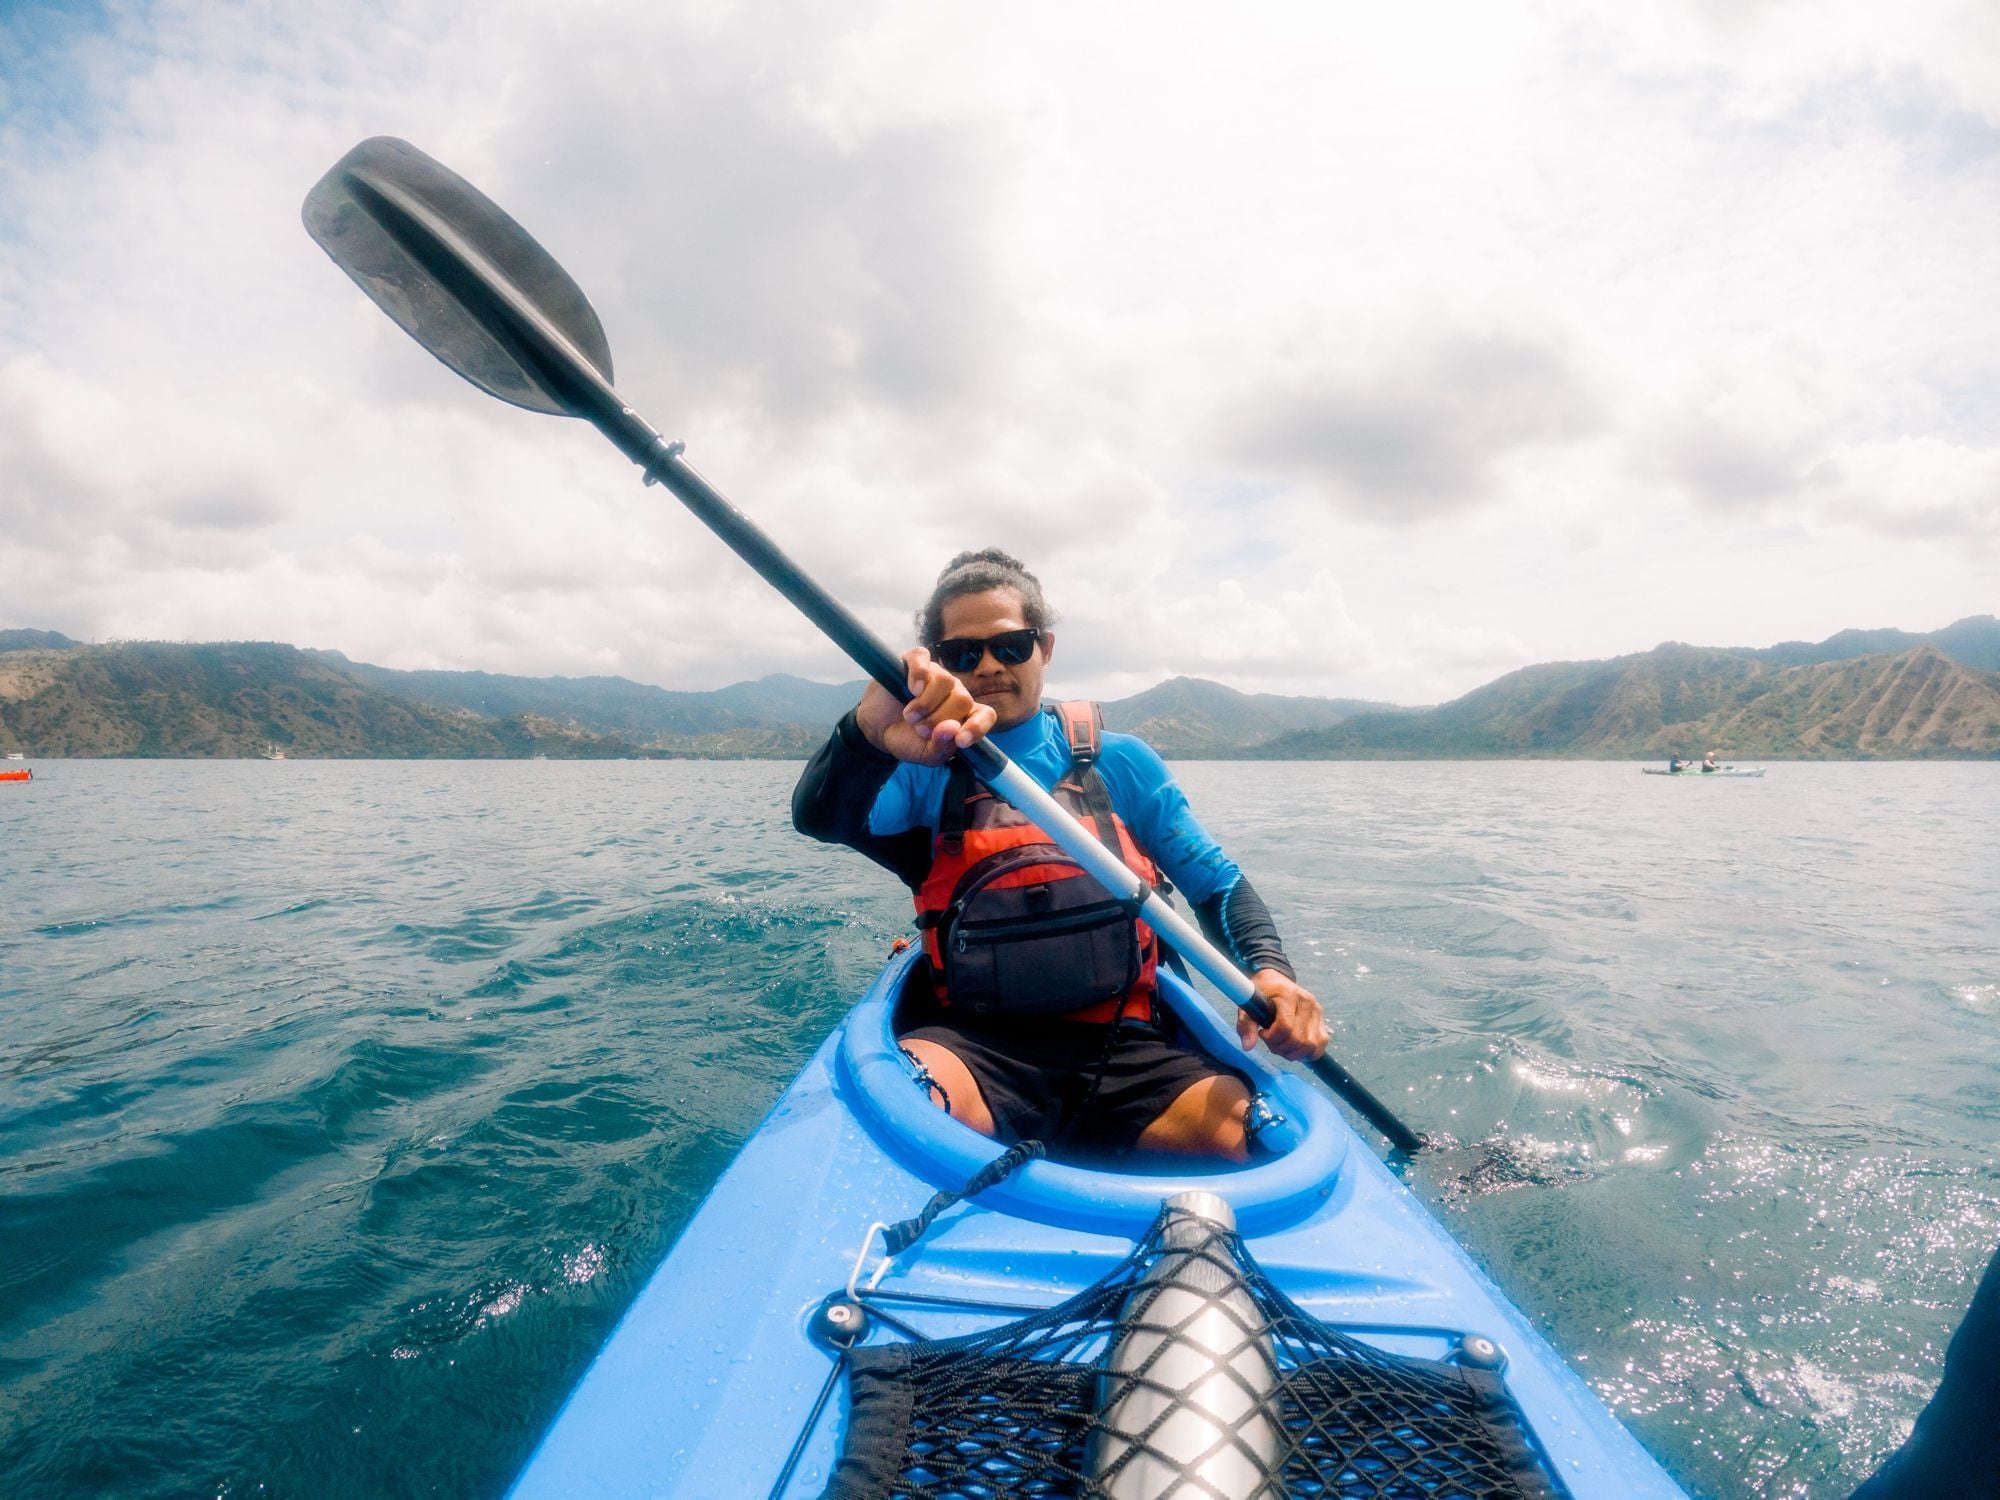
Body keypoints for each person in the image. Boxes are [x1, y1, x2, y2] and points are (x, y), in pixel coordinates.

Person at [792, 548, 1328, 1162]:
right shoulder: (923, 764)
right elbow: (822, 820)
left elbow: (1216, 886)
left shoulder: (1117, 762)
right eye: (964, 654)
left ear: (1044, 647)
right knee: (907, 1112)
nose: (989, 666)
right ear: (938, 663)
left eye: (1010, 646)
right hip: (973, 1050)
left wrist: (1270, 971)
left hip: (1128, 1049)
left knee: (1261, 1145)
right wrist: (865, 736)